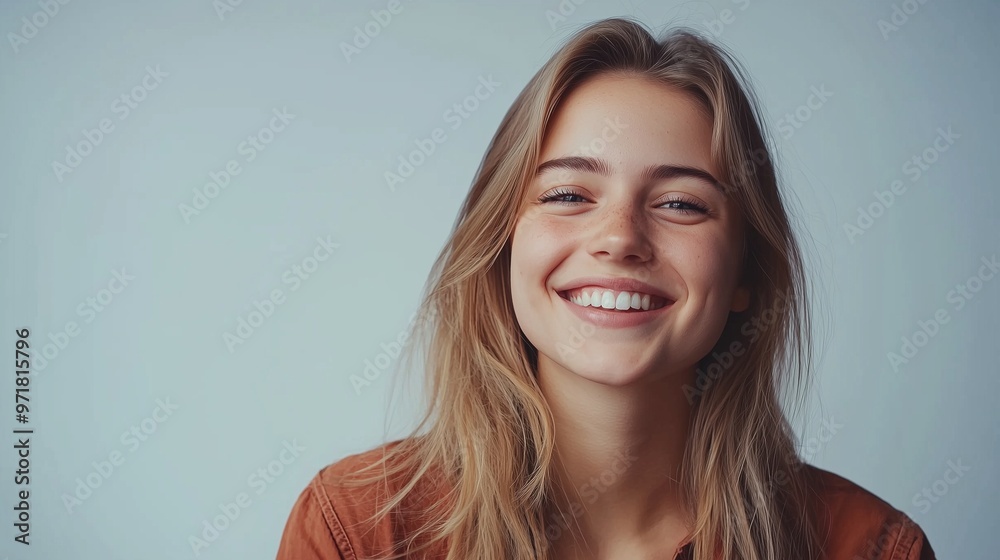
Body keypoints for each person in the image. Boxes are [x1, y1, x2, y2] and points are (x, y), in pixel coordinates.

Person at [275, 17, 936, 560]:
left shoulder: (868, 549)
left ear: (745, 276)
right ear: (501, 248)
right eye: (567, 194)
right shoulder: (359, 530)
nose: (619, 238)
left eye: (681, 204)